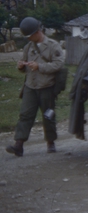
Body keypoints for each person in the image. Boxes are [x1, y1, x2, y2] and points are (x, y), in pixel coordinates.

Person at [5, 17, 64, 157]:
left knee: (48, 116)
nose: (29, 38)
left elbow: (58, 64)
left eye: (30, 35)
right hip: (30, 87)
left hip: (47, 87)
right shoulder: (28, 47)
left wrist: (40, 67)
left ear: (38, 31)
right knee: (25, 115)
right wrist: (20, 66)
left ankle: (51, 142)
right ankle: (19, 145)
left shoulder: (53, 45)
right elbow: (24, 65)